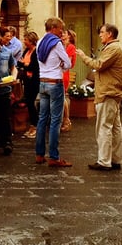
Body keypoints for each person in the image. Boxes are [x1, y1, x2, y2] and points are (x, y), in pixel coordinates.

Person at [76, 23, 122, 171]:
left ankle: (104, 161)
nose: (100, 35)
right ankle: (116, 159)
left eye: (102, 32)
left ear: (110, 34)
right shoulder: (114, 48)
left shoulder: (113, 48)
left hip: (108, 93)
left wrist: (83, 56)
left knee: (104, 128)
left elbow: (98, 64)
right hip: (112, 93)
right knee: (115, 128)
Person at [34, 17, 72, 167]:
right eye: (60, 28)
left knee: (42, 119)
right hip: (55, 83)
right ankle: (54, 157)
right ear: (54, 27)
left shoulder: (40, 42)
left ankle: (39, 154)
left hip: (42, 82)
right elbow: (68, 63)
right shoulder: (56, 43)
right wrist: (61, 66)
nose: (62, 31)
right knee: (56, 121)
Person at [18, 31, 40, 139]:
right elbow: (20, 62)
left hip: (34, 81)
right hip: (27, 80)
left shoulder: (36, 52)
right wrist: (25, 65)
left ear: (31, 41)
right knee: (28, 102)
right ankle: (33, 125)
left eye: (25, 40)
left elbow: (34, 67)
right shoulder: (26, 51)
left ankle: (35, 125)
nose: (24, 41)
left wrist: (24, 65)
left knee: (31, 103)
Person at [61, 28, 77, 132]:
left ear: (69, 36)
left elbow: (68, 62)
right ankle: (63, 120)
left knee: (62, 97)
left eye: (64, 34)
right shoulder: (62, 46)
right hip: (60, 73)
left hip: (64, 73)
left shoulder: (71, 47)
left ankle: (67, 119)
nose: (62, 35)